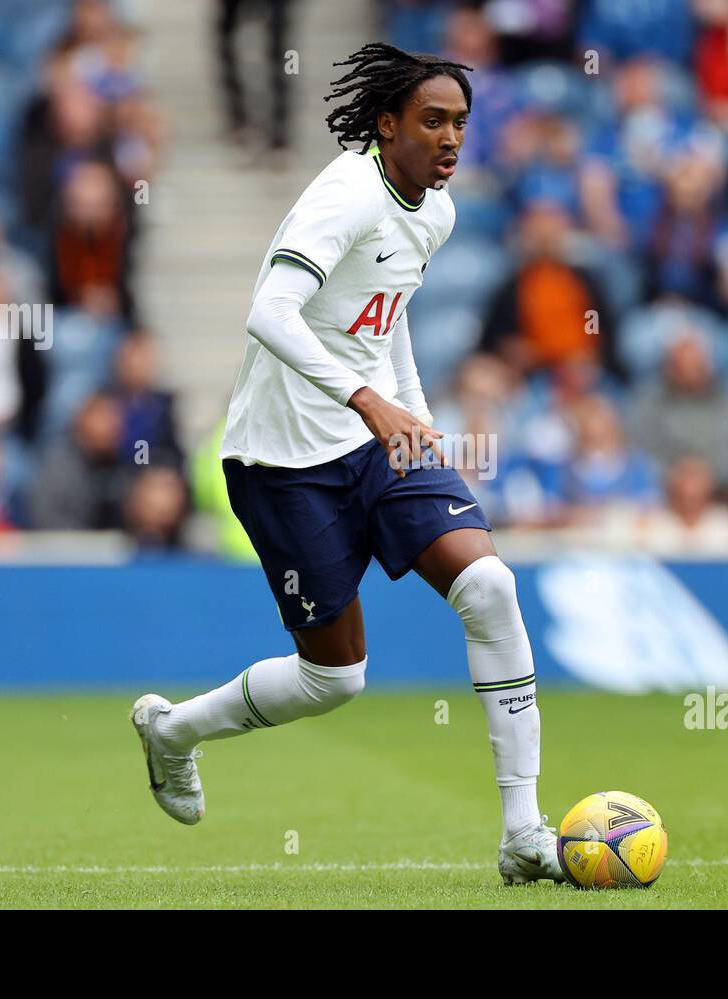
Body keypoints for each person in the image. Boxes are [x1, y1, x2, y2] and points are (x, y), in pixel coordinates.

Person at [129, 43, 564, 886]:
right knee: (335, 678)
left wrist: (414, 414)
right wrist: (369, 401)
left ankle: (522, 829)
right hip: (283, 460)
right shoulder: (345, 194)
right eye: (432, 121)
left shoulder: (434, 212)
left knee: (491, 587)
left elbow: (384, 314)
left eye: (461, 124)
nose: (450, 139)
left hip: (376, 443)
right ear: (387, 122)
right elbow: (271, 312)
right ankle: (173, 731)